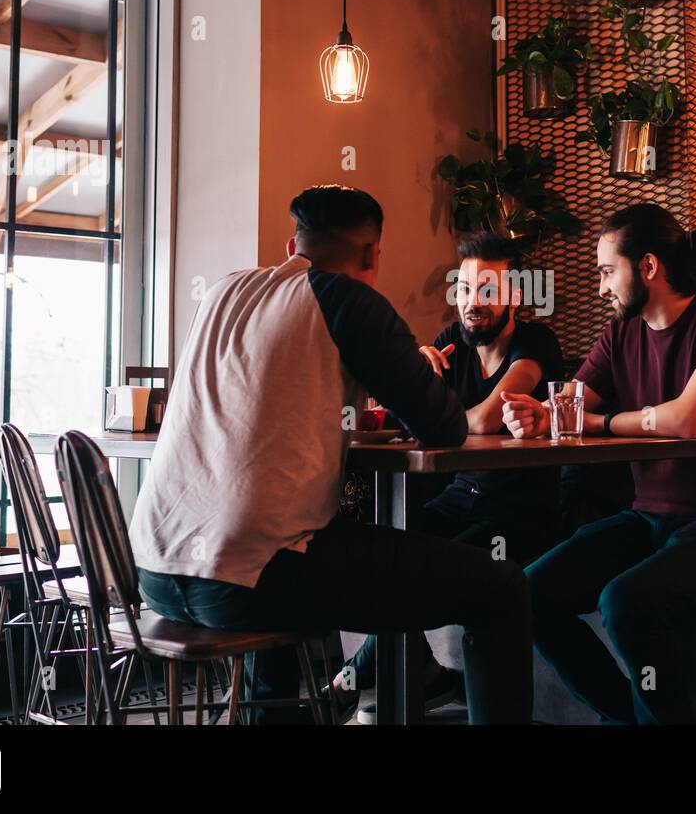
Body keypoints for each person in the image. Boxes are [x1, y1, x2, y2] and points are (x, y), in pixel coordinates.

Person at [130, 185, 533, 725]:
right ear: (372, 255)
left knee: (283, 548)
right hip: (247, 576)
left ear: (290, 244)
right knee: (501, 587)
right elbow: (443, 426)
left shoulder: (223, 292)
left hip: (151, 569)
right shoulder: (348, 298)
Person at [500, 203, 696, 724]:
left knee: (625, 602)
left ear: (648, 267)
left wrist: (600, 423)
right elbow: (571, 406)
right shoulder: (621, 335)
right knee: (525, 594)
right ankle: (622, 717)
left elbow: (690, 417)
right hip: (650, 516)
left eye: (608, 272)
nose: (601, 288)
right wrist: (539, 417)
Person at [337, 231, 563, 722]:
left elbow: (485, 418)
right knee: (389, 549)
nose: (471, 302)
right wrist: (414, 375)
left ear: (515, 296)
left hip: (520, 508)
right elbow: (394, 411)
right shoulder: (450, 342)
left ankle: (348, 682)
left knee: (434, 561)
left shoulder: (534, 343)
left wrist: (430, 399)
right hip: (461, 495)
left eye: (486, 289)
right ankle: (418, 671)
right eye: (462, 288)